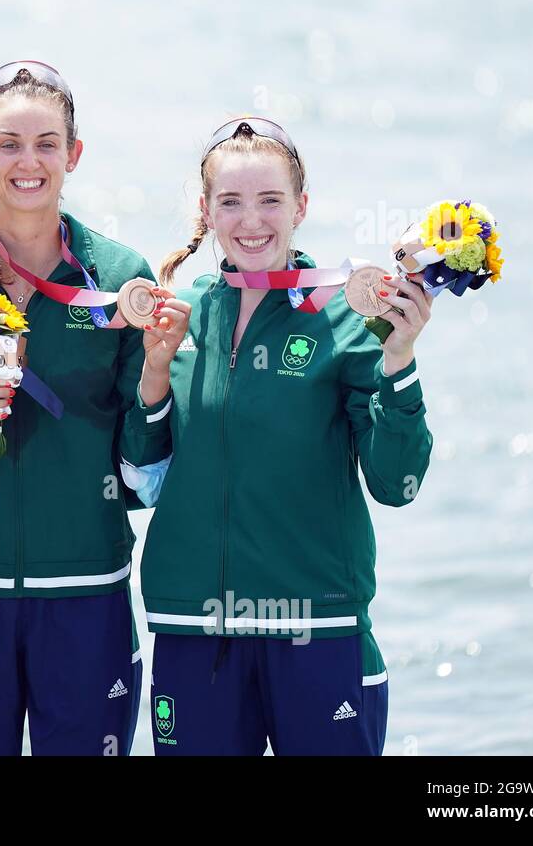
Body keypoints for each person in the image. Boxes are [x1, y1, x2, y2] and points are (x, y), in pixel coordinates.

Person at [123, 116, 434, 755]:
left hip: (318, 630)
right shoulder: (180, 316)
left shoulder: (348, 314)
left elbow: (394, 483)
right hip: (194, 629)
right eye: (230, 202)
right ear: (205, 212)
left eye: (270, 200)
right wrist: (155, 370)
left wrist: (400, 358)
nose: (251, 221)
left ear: (301, 206)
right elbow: (140, 481)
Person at [0, 62, 152, 755]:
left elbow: (143, 461)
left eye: (47, 143)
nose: (28, 161)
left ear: (73, 155)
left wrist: (161, 363)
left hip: (86, 589)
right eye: (8, 143)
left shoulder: (116, 276)